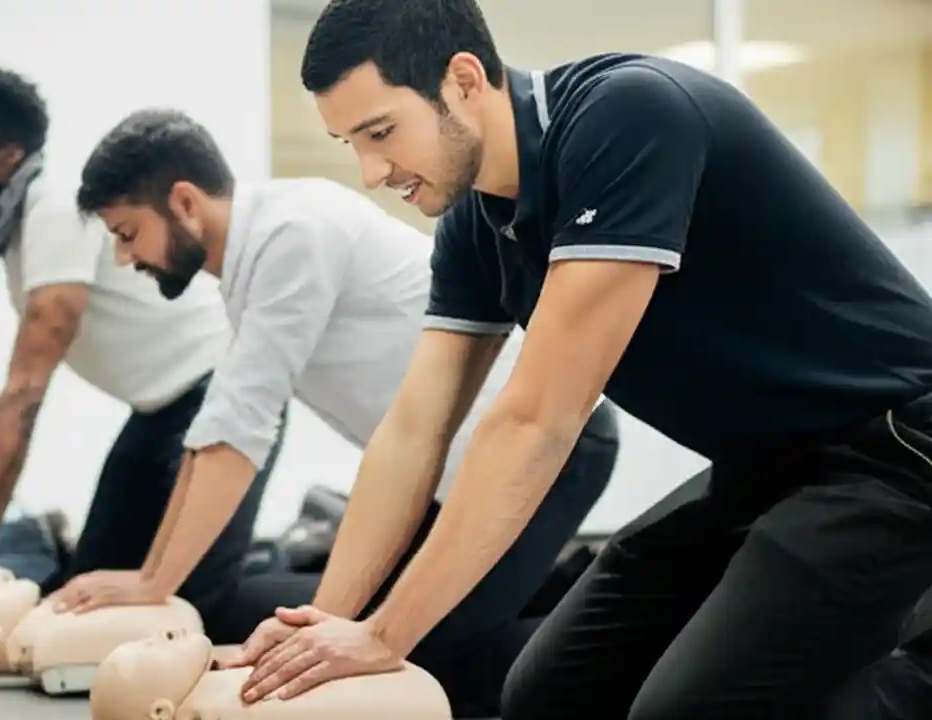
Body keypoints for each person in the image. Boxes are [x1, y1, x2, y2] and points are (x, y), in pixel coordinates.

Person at [226, 1, 932, 718]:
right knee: (547, 695)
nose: (372, 171)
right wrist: (323, 625)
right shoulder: (475, 223)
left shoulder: (627, 119)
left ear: (464, 80)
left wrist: (385, 634)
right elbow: (413, 431)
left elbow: (538, 421)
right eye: (350, 142)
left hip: (898, 451)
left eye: (381, 132)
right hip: (769, 467)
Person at [69, 106, 620, 717]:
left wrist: (153, 585)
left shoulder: (292, 232)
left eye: (126, 234)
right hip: (451, 475)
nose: (124, 260)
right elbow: (217, 429)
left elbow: (238, 435)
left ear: (184, 203)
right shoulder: (252, 260)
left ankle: (646, 631)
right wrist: (152, 579)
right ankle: (565, 586)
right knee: (358, 636)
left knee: (428, 665)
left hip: (547, 446)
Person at [0, 68, 283, 629]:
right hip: (157, 412)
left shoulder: (51, 213)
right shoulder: (14, 223)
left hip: (216, 394)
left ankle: (322, 595)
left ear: (8, 155)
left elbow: (24, 391)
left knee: (194, 607)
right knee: (85, 594)